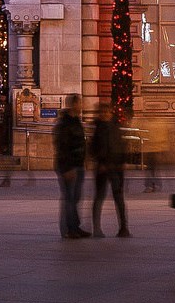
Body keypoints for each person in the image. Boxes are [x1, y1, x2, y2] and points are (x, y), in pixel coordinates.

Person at [89, 102, 129, 237]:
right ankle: (97, 228)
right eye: (103, 112)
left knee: (119, 198)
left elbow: (121, 144)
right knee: (100, 196)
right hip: (103, 168)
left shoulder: (115, 126)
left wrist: (123, 160)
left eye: (107, 112)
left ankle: (123, 227)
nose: (105, 114)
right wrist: (100, 162)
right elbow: (94, 147)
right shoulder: (98, 128)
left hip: (116, 166)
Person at [52, 94, 88, 239]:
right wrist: (67, 168)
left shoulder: (75, 121)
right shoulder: (64, 124)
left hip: (78, 164)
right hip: (69, 166)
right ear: (74, 105)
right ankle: (69, 229)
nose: (81, 106)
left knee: (76, 198)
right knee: (69, 198)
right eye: (79, 103)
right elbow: (62, 147)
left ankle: (75, 226)